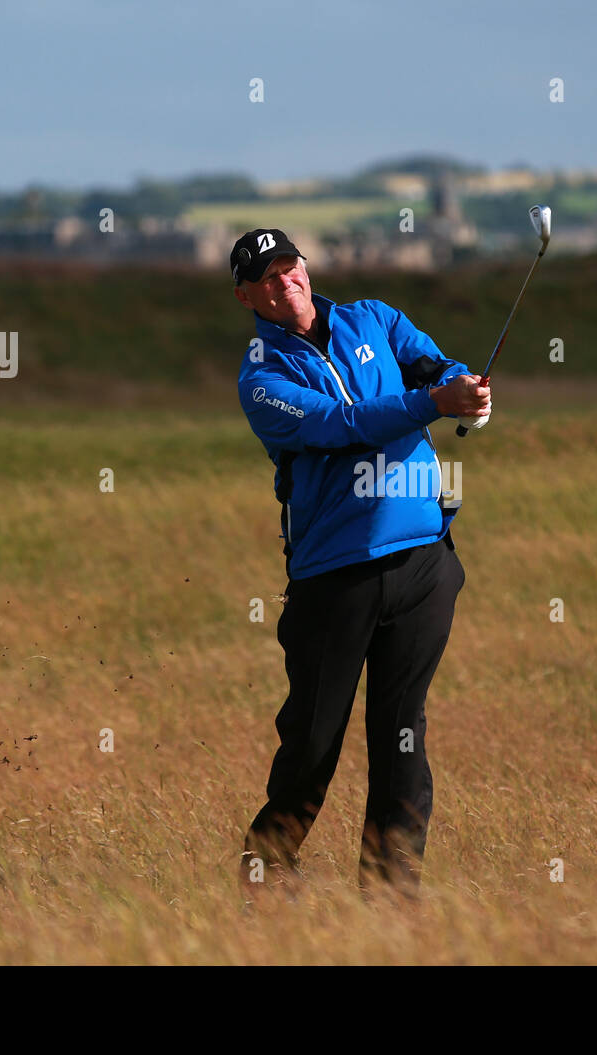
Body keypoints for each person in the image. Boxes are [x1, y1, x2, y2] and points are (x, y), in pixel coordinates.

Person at [233, 227, 490, 895]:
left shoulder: (374, 318)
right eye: (266, 278)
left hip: (424, 563)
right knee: (314, 746)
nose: (283, 282)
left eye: (289, 267)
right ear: (247, 297)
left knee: (402, 736)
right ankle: (264, 875)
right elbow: (342, 424)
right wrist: (434, 404)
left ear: (306, 268)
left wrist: (465, 388)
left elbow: (431, 364)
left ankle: (390, 894)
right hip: (334, 579)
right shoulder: (263, 379)